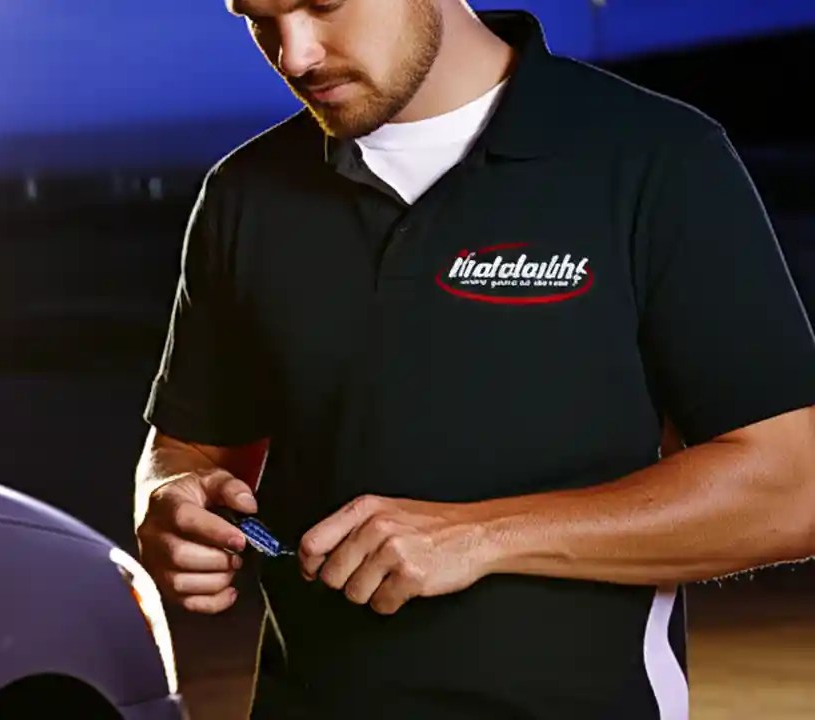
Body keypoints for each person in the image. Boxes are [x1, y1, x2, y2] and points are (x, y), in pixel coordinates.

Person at [133, 1, 815, 718]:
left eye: (324, 5)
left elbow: (793, 487)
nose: (294, 55)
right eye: (259, 18)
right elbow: (187, 448)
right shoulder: (245, 193)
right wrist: (168, 499)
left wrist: (481, 538)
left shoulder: (655, 158)